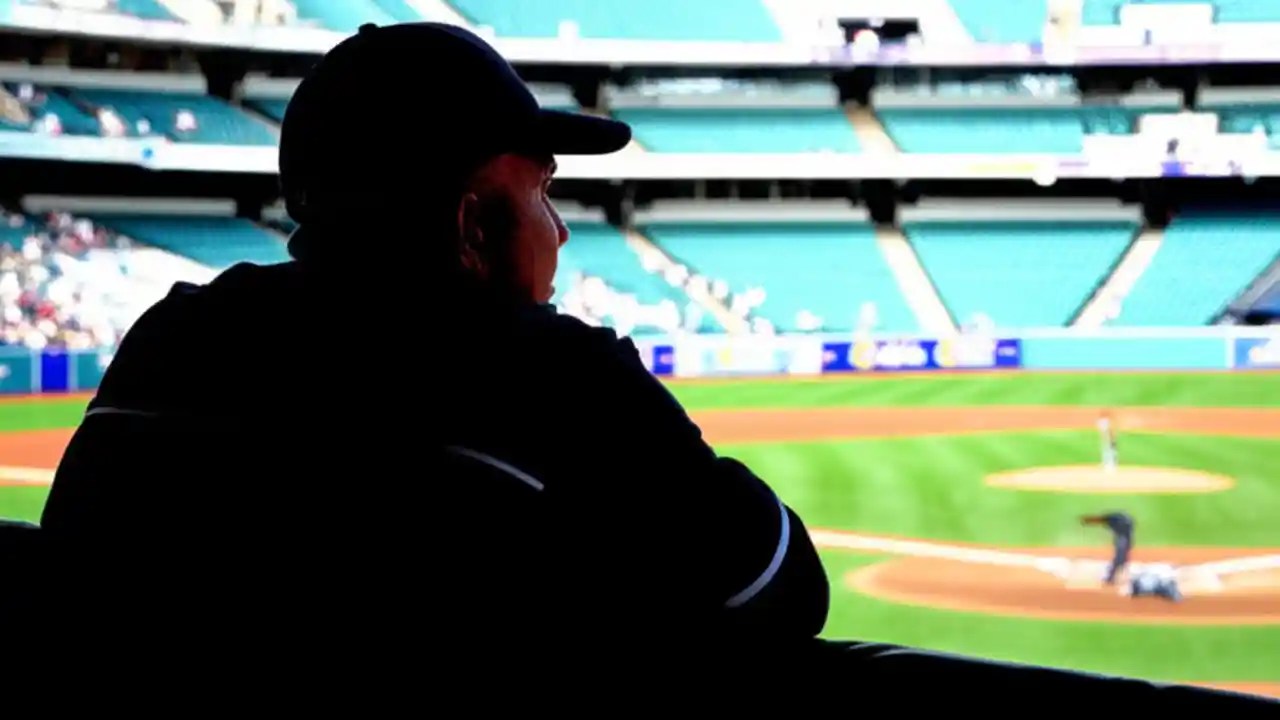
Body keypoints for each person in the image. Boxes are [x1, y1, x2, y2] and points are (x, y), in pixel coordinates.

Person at [39, 21, 828, 675]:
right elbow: (780, 589)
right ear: (473, 225)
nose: (557, 232)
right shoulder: (554, 374)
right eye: (543, 195)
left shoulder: (176, 339)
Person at [1081, 511, 1134, 585]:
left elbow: (1101, 520)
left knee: (1120, 559)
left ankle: (1114, 578)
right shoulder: (1120, 523)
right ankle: (1115, 577)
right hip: (1124, 539)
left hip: (1123, 541)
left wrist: (1088, 521)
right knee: (1120, 559)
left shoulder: (1119, 525)